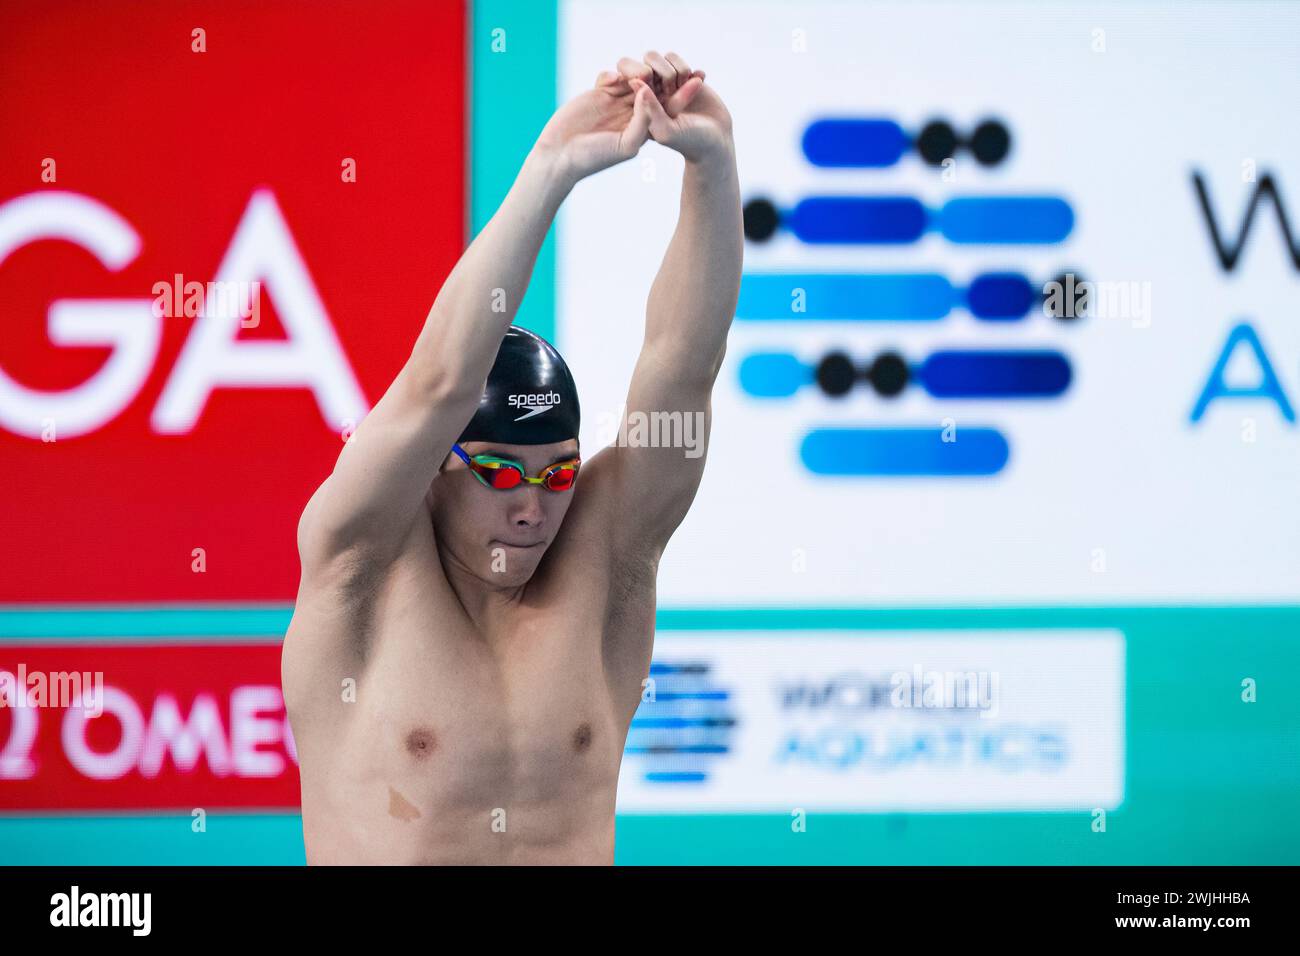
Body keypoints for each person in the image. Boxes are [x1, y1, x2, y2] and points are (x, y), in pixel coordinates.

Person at [282, 51, 741, 864]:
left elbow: (681, 366)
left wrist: (711, 165)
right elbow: (440, 385)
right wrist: (552, 171)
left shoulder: (605, 566)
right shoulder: (362, 563)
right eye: (497, 473)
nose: (533, 507)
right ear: (434, 470)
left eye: (558, 473)